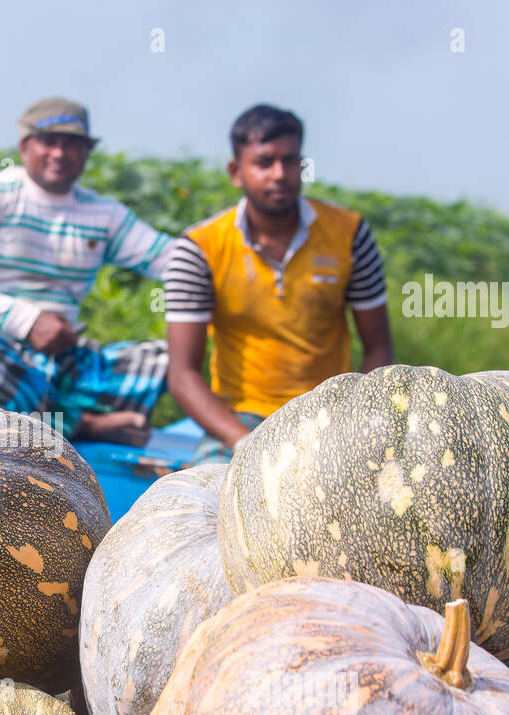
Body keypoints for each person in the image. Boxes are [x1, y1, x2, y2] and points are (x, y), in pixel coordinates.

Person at [0, 97, 176, 445]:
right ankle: (83, 424)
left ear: (86, 153)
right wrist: (28, 321)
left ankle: (47, 420)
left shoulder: (103, 214)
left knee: (169, 358)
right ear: (25, 147)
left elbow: (170, 259)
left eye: (72, 144)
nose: (60, 153)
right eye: (49, 141)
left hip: (64, 361)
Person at [163, 105, 393, 462]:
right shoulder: (199, 249)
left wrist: (353, 422)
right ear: (236, 171)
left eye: (290, 161)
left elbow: (378, 349)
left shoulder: (349, 234)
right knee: (210, 505)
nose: (279, 174)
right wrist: (245, 443)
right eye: (264, 162)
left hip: (330, 416)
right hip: (239, 421)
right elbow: (182, 375)